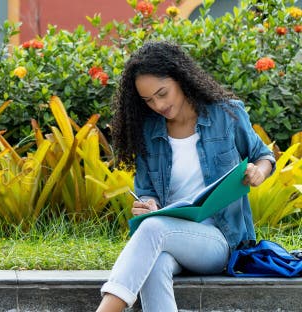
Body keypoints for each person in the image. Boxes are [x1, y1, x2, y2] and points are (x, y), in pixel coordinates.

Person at [96, 41, 276, 312]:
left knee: (153, 228)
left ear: (180, 78)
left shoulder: (227, 113)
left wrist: (258, 172)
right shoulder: (148, 132)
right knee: (153, 264)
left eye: (162, 93)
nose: (157, 105)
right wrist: (148, 204)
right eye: (148, 100)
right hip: (171, 236)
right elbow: (146, 191)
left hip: (219, 240)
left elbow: (263, 156)